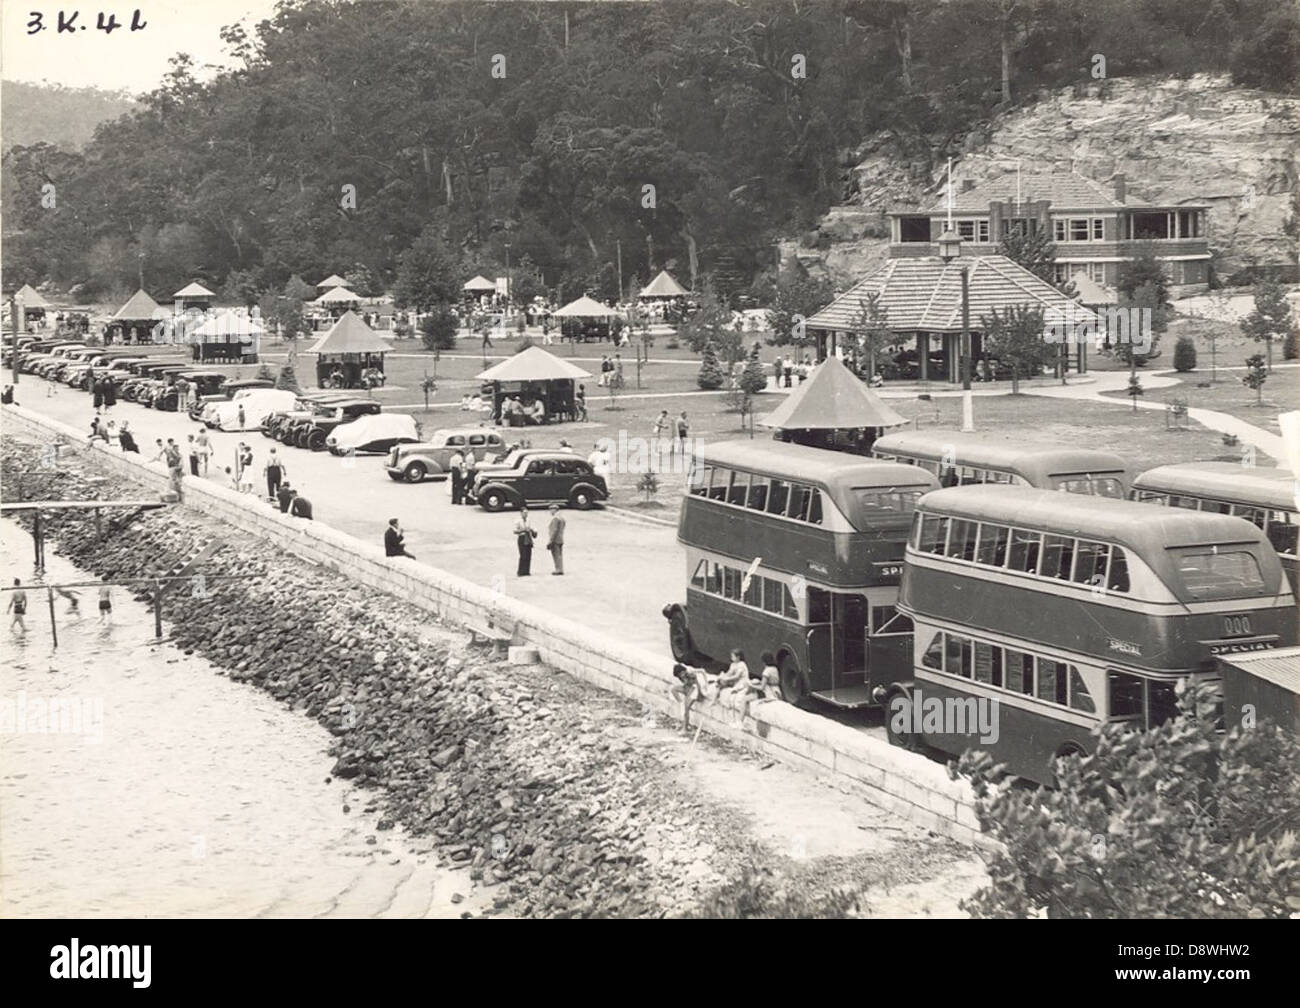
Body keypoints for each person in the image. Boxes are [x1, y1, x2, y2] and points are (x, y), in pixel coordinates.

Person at [514, 508, 537, 576]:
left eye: (526, 513)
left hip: (528, 537)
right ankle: (520, 571)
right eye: (524, 513)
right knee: (523, 555)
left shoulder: (528, 520)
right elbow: (515, 531)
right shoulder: (517, 521)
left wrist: (532, 530)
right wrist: (523, 530)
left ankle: (526, 571)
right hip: (522, 537)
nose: (526, 514)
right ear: (521, 513)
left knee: (528, 555)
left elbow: (532, 527)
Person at [546, 503, 565, 575]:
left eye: (551, 510)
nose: (550, 512)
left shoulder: (555, 519)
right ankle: (560, 568)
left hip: (555, 539)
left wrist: (550, 541)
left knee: (556, 555)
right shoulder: (562, 518)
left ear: (554, 510)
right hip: (560, 538)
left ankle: (558, 569)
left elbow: (554, 530)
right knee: (559, 554)